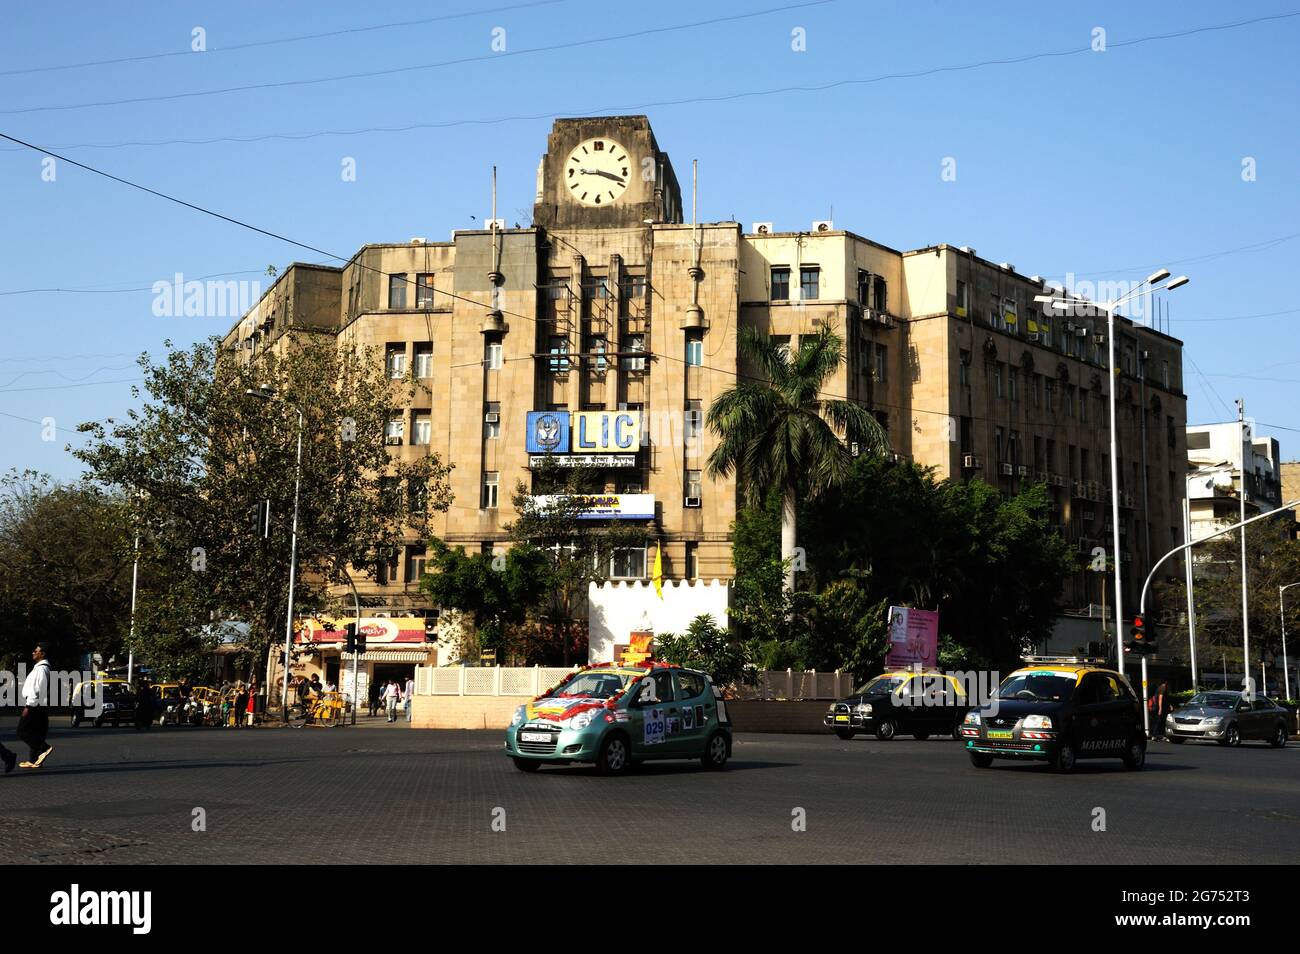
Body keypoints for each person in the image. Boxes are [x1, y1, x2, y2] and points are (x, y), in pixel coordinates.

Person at [18, 642, 54, 768]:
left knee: (22, 731)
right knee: (37, 732)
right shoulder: (40, 668)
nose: (33, 652)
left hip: (35, 705)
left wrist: (28, 706)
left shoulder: (41, 669)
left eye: (36, 651)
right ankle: (35, 760)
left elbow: (37, 690)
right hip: (39, 705)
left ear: (42, 654)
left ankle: (44, 748)